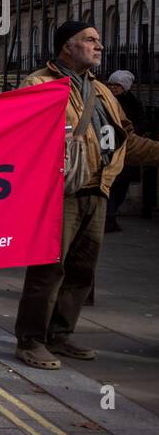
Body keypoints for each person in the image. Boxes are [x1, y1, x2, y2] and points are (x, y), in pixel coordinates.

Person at [14, 21, 159, 370]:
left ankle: (60, 335)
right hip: (59, 193)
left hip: (98, 189)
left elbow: (125, 141)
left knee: (82, 269)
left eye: (98, 39)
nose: (100, 46)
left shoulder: (103, 92)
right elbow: (22, 138)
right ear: (67, 46)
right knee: (49, 269)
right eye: (90, 40)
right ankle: (31, 340)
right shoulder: (38, 85)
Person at [103, 70, 145, 232]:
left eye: (117, 85)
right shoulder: (105, 100)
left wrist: (132, 134)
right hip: (109, 148)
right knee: (110, 184)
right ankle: (109, 218)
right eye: (111, 84)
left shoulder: (133, 103)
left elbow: (140, 123)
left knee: (122, 185)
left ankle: (111, 217)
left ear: (125, 87)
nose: (113, 88)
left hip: (127, 149)